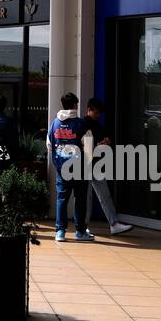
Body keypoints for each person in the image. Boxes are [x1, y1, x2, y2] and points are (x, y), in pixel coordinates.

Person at [47, 92, 95, 242]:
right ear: (75, 105)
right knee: (80, 199)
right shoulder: (82, 124)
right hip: (79, 167)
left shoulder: (55, 123)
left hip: (62, 167)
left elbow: (49, 144)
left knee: (62, 197)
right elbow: (89, 148)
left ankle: (60, 231)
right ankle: (80, 232)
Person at [85, 98, 132, 235]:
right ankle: (84, 225)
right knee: (86, 196)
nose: (98, 115)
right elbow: (84, 145)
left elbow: (103, 138)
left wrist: (106, 141)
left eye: (99, 113)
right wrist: (100, 145)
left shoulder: (96, 124)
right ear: (89, 109)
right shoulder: (83, 124)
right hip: (87, 163)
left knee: (103, 195)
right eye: (96, 112)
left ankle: (114, 224)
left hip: (95, 164)